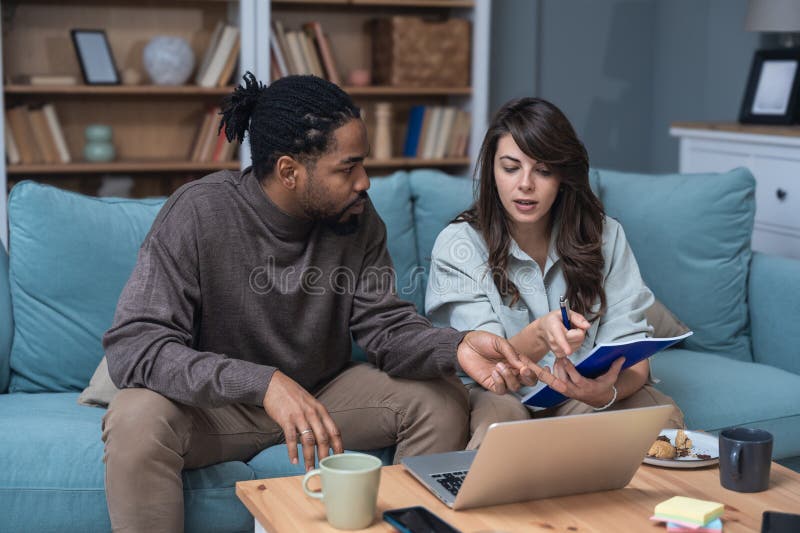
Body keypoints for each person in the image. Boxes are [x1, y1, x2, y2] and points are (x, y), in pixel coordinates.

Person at [100, 74, 566, 532]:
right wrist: (264, 384)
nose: (365, 181)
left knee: (439, 400)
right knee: (136, 419)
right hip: (218, 406)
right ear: (290, 171)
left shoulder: (357, 218)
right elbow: (133, 346)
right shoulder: (198, 213)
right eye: (348, 167)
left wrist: (458, 346)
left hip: (322, 396)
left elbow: (386, 328)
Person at [425, 97, 684, 450]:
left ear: (563, 176)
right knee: (505, 431)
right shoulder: (459, 245)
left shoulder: (606, 236)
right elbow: (486, 365)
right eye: (511, 167)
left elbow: (634, 358)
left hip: (579, 394)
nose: (526, 184)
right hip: (501, 393)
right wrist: (540, 335)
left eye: (544, 171)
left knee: (661, 415)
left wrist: (605, 392)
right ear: (492, 172)